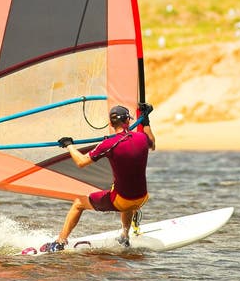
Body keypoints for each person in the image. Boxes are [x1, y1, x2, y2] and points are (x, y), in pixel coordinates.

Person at [41, 102, 155, 252]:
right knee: (120, 188)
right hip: (142, 198)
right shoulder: (141, 138)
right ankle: (124, 236)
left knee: (78, 203)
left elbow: (81, 162)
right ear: (128, 121)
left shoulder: (108, 144)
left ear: (110, 123)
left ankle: (60, 242)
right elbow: (151, 143)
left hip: (123, 201)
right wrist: (145, 119)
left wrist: (69, 145)